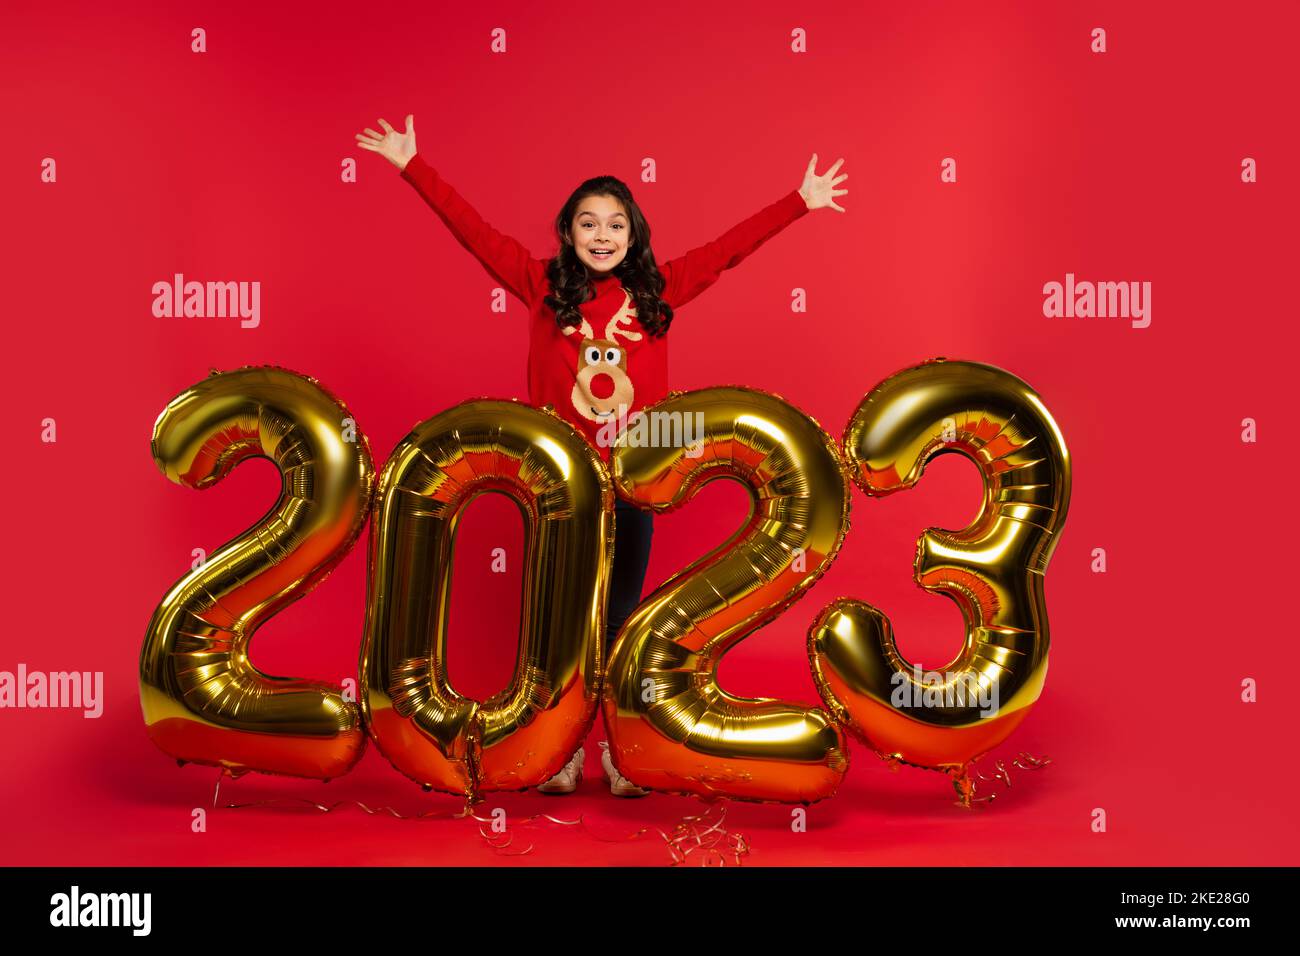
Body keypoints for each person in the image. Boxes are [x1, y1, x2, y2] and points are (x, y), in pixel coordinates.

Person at [356, 115, 848, 796]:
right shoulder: (539, 285)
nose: (602, 236)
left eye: (615, 225)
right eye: (588, 224)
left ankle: (622, 754)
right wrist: (415, 165)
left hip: (632, 482)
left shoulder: (660, 290)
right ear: (568, 232)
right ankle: (557, 753)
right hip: (561, 488)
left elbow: (729, 249)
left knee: (621, 621)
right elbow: (473, 233)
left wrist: (799, 201)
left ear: (633, 235)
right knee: (559, 625)